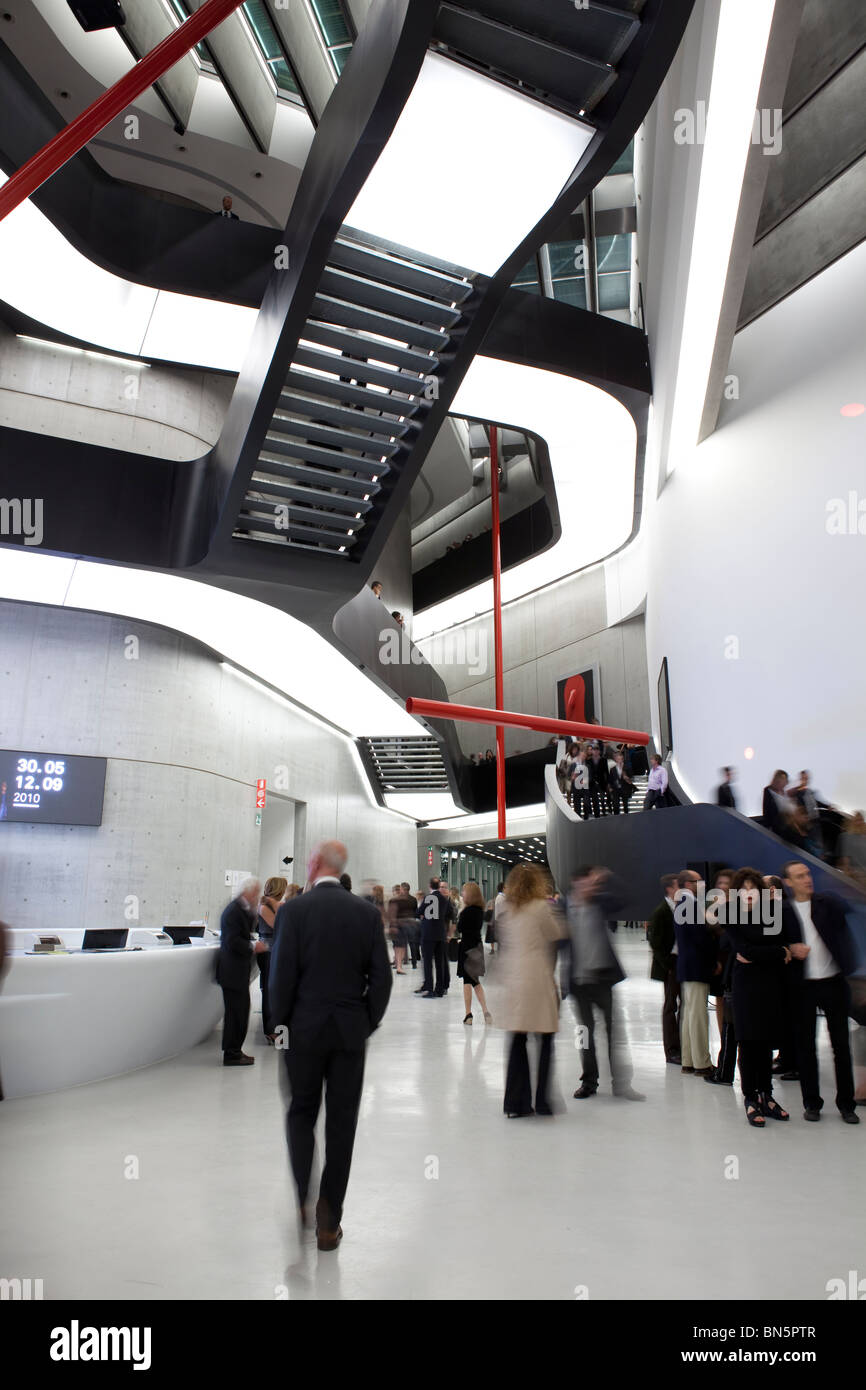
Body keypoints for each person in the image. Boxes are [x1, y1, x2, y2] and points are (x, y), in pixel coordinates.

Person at [269, 841, 392, 1250]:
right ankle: (329, 1217)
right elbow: (382, 978)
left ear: (317, 864)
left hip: (302, 1032)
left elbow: (281, 975)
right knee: (342, 1124)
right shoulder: (366, 913)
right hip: (347, 1034)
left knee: (301, 1113)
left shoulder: (292, 911)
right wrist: (365, 1023)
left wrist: (278, 1027)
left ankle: (304, 1197)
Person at [781, 860, 859, 1124]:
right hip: (803, 987)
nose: (807, 879)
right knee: (806, 1047)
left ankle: (847, 1105)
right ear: (788, 882)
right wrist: (789, 948)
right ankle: (811, 1103)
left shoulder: (828, 903)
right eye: (799, 876)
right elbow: (773, 942)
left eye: (808, 874)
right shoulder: (783, 911)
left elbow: (848, 916)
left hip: (833, 983)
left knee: (840, 1047)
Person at [721, 868, 792, 1126]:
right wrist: (777, 951)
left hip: (769, 983)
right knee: (749, 1041)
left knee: (765, 1041)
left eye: (753, 888)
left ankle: (767, 1095)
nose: (749, 893)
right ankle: (750, 1097)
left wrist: (768, 950)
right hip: (745, 985)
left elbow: (763, 948)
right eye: (744, 888)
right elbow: (744, 950)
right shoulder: (729, 913)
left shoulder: (772, 914)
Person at [566, 867, 643, 1100]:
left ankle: (621, 1083)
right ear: (576, 884)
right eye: (585, 883)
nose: (590, 887)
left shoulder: (601, 902)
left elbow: (629, 898)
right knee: (584, 1033)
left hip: (602, 980)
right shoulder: (564, 907)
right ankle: (589, 1081)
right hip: (578, 984)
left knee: (614, 1033)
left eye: (593, 883)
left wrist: (610, 878)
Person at [499, 863, 564, 1118]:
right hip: (538, 977)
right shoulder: (541, 908)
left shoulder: (507, 908)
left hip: (514, 979)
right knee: (545, 1038)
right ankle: (543, 1101)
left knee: (517, 1041)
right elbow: (555, 933)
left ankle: (516, 1103)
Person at [216, 877, 265, 1066]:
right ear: (248, 892)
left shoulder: (242, 909)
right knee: (236, 1013)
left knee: (241, 1011)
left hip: (237, 971)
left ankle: (235, 1050)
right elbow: (232, 941)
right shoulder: (233, 911)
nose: (258, 896)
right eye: (256, 892)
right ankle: (232, 1053)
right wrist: (253, 946)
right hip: (232, 971)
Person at [672, 870, 715, 1076]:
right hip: (697, 965)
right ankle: (701, 1063)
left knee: (689, 1014)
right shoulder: (691, 905)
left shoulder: (682, 904)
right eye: (698, 881)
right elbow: (701, 938)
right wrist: (713, 959)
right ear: (688, 884)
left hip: (687, 965)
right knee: (698, 1015)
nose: (701, 884)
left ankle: (689, 1060)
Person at [647, 873, 681, 1065]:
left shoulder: (681, 909)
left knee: (682, 1005)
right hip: (670, 966)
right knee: (670, 1006)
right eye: (679, 886)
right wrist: (668, 965)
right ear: (670, 888)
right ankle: (672, 1050)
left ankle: (682, 1045)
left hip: (680, 963)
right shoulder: (661, 912)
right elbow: (656, 944)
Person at [456, 881, 492, 1024]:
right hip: (477, 947)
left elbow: (460, 928)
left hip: (466, 948)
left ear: (469, 894)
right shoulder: (479, 912)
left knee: (466, 981)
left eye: (464, 892)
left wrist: (462, 911)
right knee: (475, 981)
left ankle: (468, 1014)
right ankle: (486, 1011)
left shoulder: (466, 911)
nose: (462, 894)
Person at [257, 876, 287, 1042]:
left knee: (274, 990)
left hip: (274, 951)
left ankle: (275, 1028)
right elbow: (278, 925)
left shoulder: (274, 905)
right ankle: (271, 1030)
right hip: (267, 952)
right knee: (269, 991)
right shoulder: (264, 906)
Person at [415, 877, 452, 997]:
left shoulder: (428, 898)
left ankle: (429, 988)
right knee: (439, 963)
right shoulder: (444, 899)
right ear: (438, 886)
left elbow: (418, 912)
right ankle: (439, 989)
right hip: (440, 934)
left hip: (428, 934)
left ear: (430, 885)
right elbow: (448, 914)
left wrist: (424, 915)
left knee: (427, 962)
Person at [762, 769, 794, 840]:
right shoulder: (768, 790)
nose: (784, 782)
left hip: (787, 826)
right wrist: (768, 826)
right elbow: (766, 809)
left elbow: (790, 808)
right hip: (776, 827)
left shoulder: (785, 793)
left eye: (785, 780)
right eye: (782, 779)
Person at [838, 812, 866, 889]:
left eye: (861, 820)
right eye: (857, 820)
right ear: (853, 822)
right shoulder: (847, 837)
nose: (859, 822)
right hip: (856, 875)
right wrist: (847, 872)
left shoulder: (864, 837)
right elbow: (845, 858)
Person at [586, 746, 609, 818]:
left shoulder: (603, 760)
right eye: (594, 750)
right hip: (592, 783)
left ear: (599, 751)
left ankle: (604, 811)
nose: (595, 752)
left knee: (602, 798)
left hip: (601, 782)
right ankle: (596, 813)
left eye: (597, 750)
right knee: (594, 798)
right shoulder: (588, 760)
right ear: (592, 751)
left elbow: (606, 772)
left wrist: (607, 782)